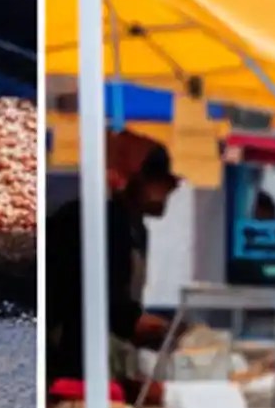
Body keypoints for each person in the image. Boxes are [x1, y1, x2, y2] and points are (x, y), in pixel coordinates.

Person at [46, 131, 181, 383]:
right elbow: (96, 299)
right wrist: (141, 323)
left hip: (93, 360)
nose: (169, 192)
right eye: (163, 184)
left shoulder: (132, 225)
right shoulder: (101, 222)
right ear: (138, 181)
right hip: (69, 366)